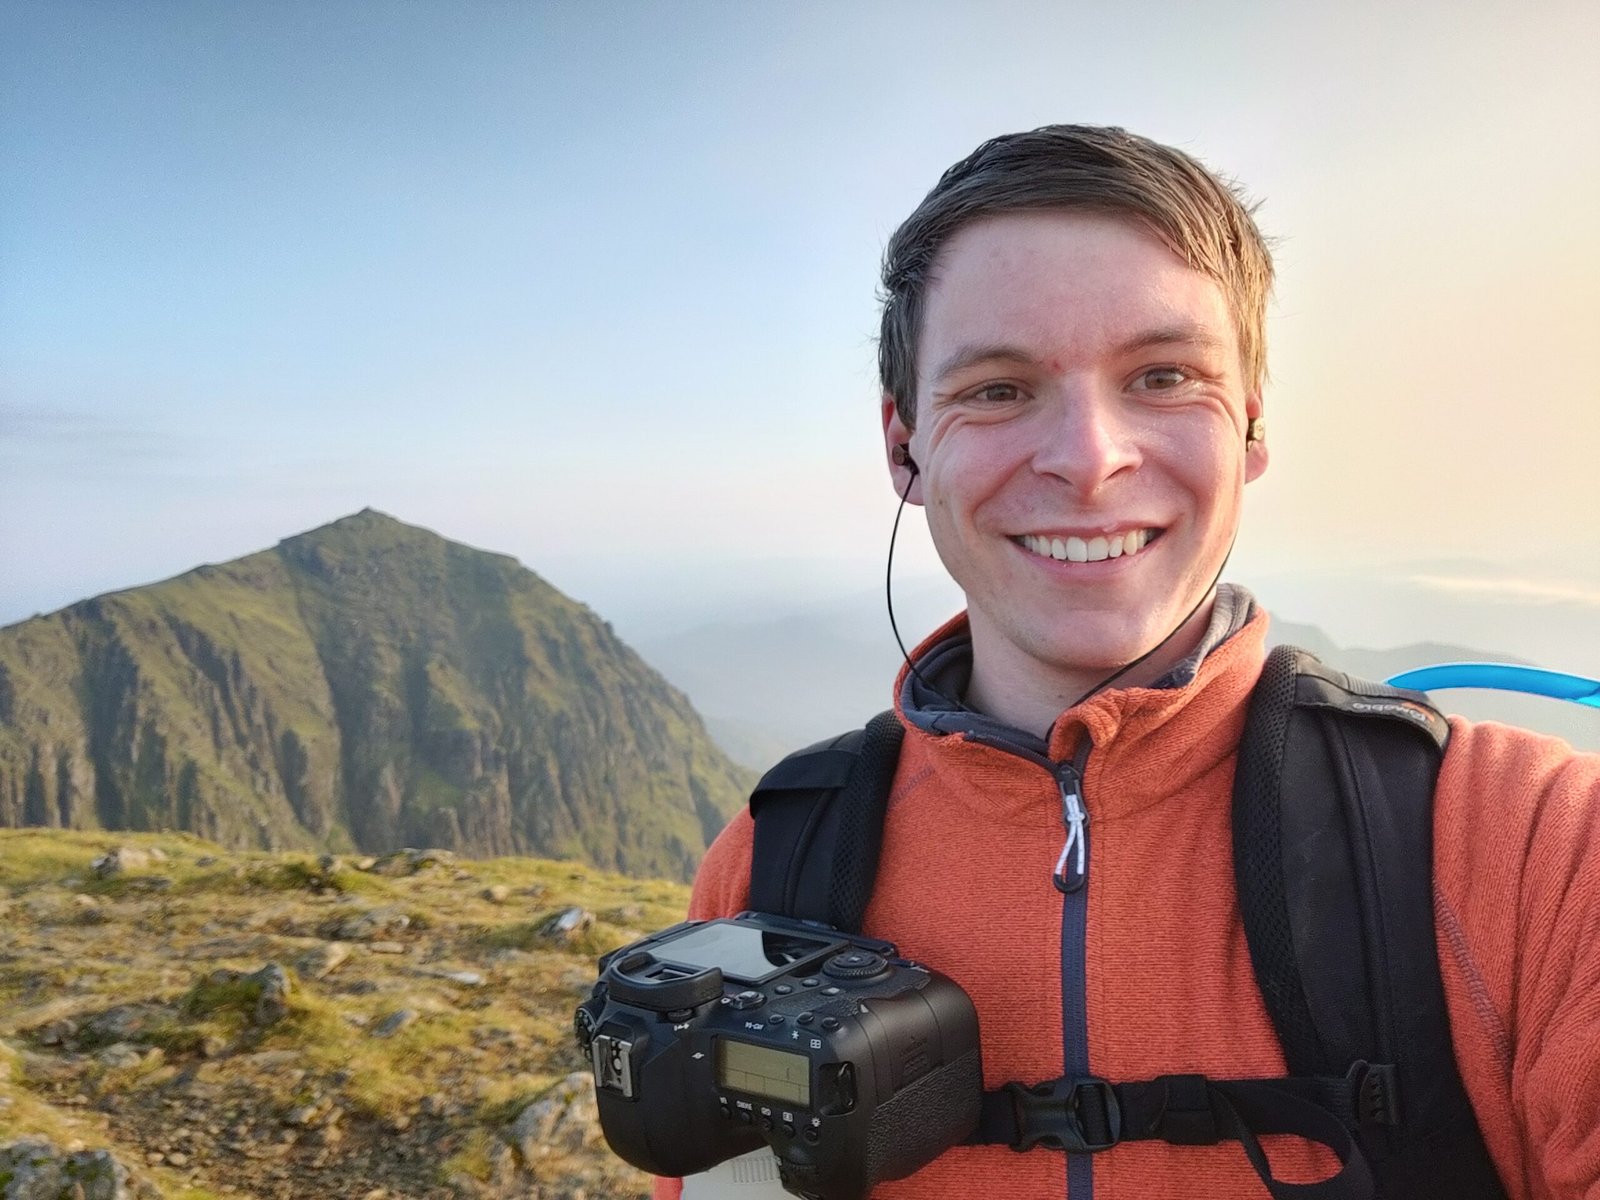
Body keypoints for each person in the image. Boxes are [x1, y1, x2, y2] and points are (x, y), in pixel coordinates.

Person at [658, 125, 1600, 1199]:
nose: (1088, 459)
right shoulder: (770, 869)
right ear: (902, 444)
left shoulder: (1539, 847)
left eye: (1161, 376)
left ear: (1248, 426)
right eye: (999, 388)